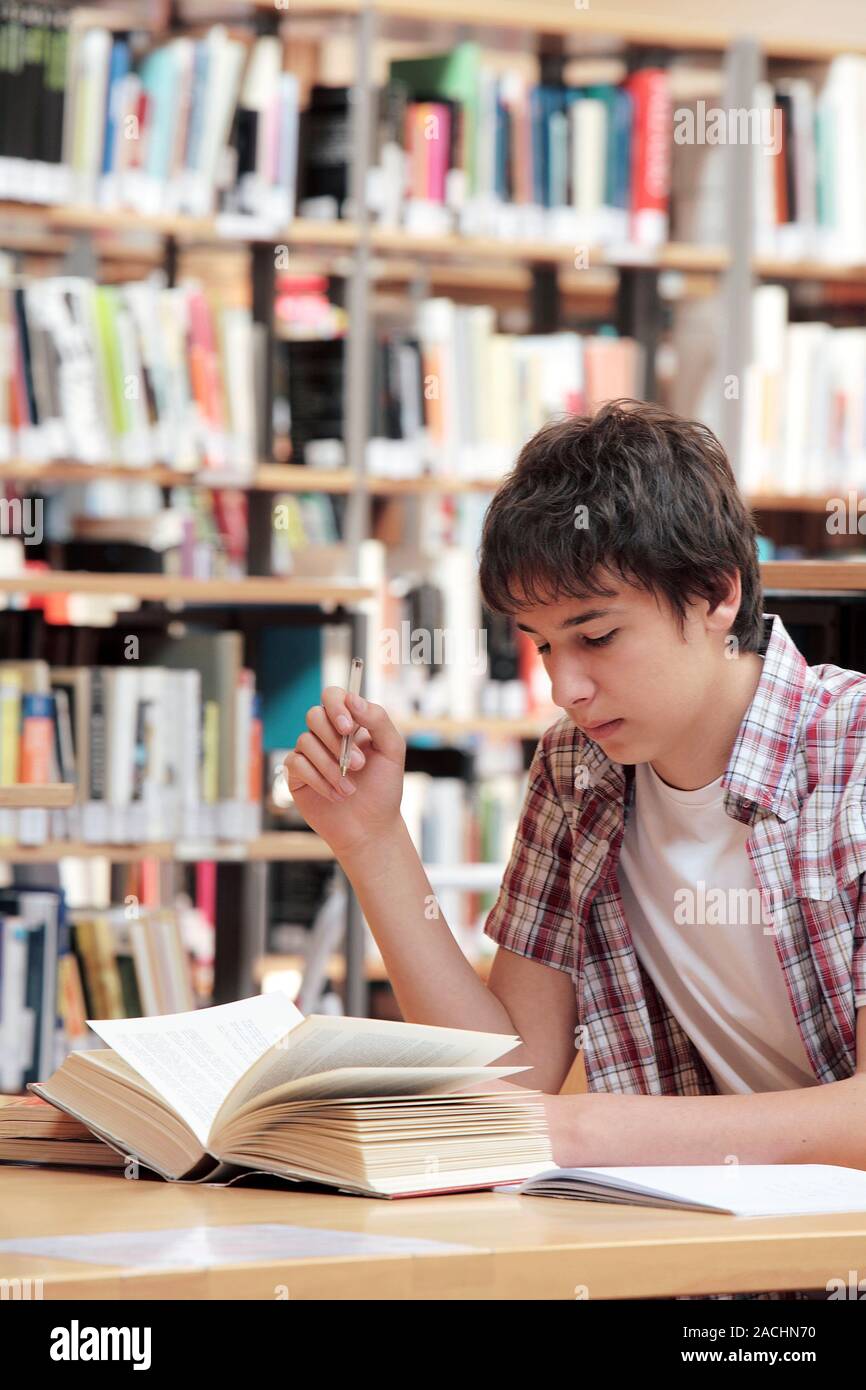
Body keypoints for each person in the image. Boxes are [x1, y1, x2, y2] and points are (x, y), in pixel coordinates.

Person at [284, 399, 866, 1301]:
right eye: (542, 645)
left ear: (718, 595)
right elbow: (509, 1073)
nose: (566, 686)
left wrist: (584, 1131)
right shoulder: (575, 770)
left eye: (596, 636)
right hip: (728, 1266)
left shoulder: (853, 751)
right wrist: (372, 839)